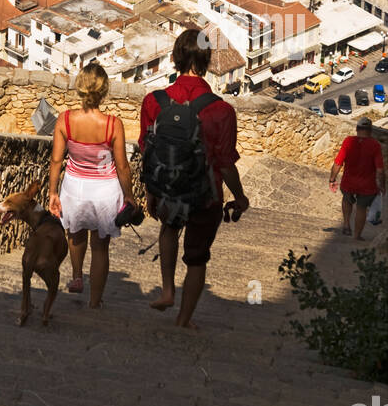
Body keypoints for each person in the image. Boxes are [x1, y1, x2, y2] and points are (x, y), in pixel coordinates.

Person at [139, 27, 249, 330]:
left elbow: (146, 149)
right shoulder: (222, 110)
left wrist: (152, 191)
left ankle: (166, 290)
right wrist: (240, 197)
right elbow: (226, 164)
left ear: (175, 58)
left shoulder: (154, 102)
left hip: (168, 190)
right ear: (207, 60)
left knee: (169, 230)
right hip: (206, 194)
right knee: (197, 258)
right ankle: (183, 320)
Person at [48, 62, 136, 309]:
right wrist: (129, 195)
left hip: (74, 188)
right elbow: (122, 166)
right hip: (105, 191)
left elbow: (56, 160)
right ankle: (95, 301)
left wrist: (52, 192)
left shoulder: (65, 120)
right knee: (100, 246)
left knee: (75, 234)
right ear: (104, 90)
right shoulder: (112, 124)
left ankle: (77, 276)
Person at [329, 117, 385, 239]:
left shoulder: (348, 141)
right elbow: (380, 171)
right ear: (370, 131)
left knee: (347, 200)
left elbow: (338, 163)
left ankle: (346, 225)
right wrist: (382, 186)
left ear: (356, 129)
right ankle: (357, 236)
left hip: (348, 182)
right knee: (361, 208)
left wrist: (332, 179)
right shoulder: (375, 145)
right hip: (367, 185)